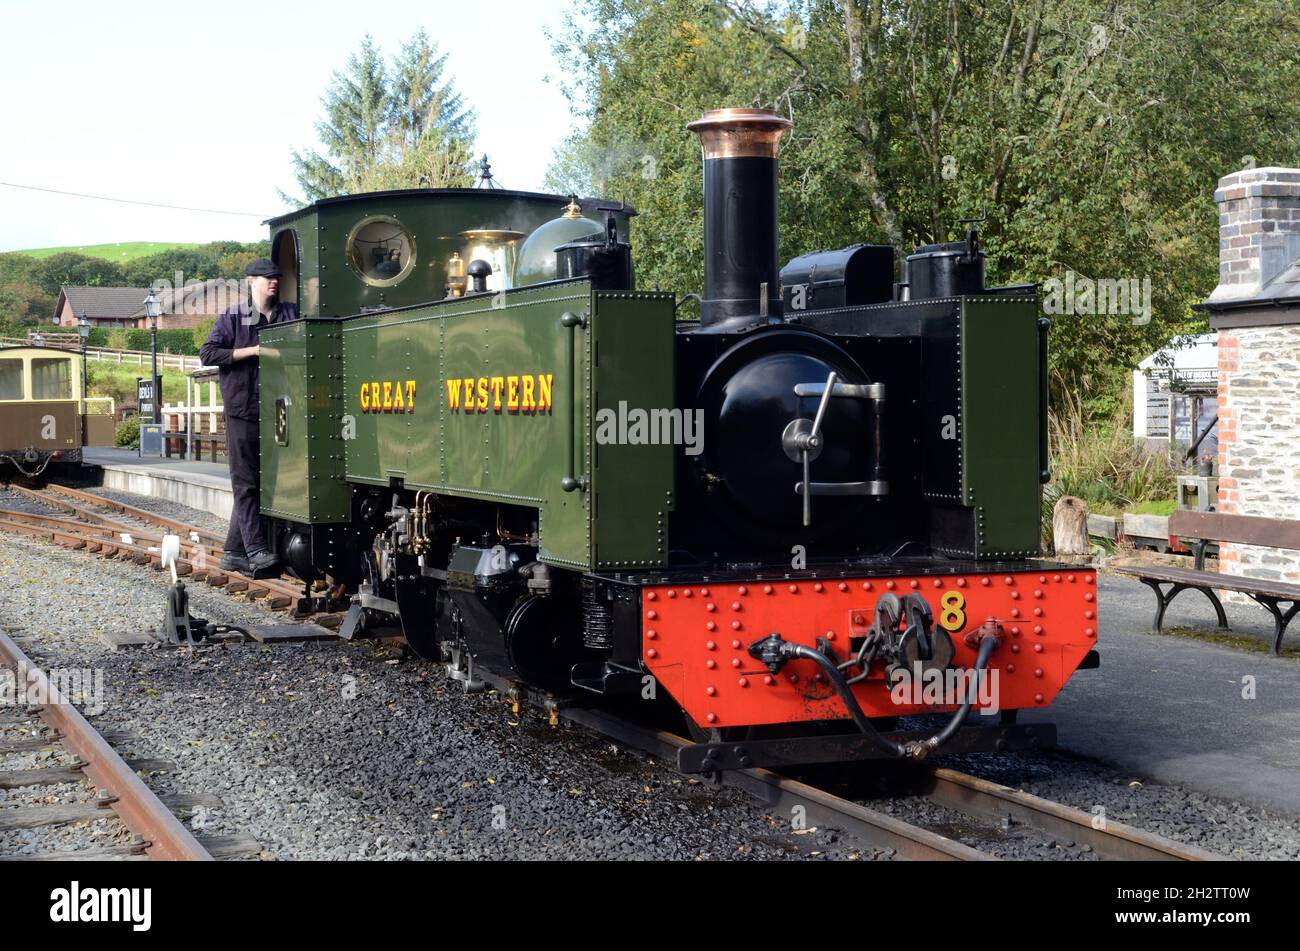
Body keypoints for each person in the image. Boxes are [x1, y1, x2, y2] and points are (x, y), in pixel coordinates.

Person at [200, 259, 297, 576]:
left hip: (278, 409)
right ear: (251, 281)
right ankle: (255, 549)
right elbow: (209, 353)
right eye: (267, 277)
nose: (274, 281)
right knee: (245, 483)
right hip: (242, 410)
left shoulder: (289, 314)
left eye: (276, 277)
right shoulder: (232, 317)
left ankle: (233, 552)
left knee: (262, 481)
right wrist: (252, 351)